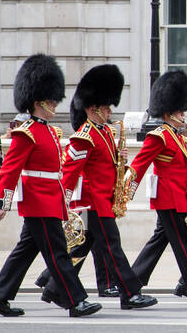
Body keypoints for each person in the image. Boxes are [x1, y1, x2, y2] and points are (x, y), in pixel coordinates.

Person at [0, 54, 99, 317]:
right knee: (58, 252)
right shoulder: (26, 133)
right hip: (38, 201)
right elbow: (11, 169)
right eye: (50, 101)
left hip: (50, 198)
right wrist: (1, 203)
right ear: (37, 102)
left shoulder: (49, 131)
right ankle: (74, 300)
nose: (54, 104)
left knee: (25, 251)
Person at [41, 64, 155, 310]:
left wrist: (119, 160)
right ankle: (130, 293)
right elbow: (70, 171)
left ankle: (53, 288)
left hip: (105, 198)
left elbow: (106, 165)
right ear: (93, 108)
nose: (109, 111)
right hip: (93, 201)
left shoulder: (101, 132)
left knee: (83, 246)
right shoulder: (85, 135)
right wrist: (64, 204)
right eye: (105, 107)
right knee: (113, 247)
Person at [128, 70, 187, 300]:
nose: (183, 114)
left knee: (159, 241)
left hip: (180, 197)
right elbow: (139, 164)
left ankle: (133, 281)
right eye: (179, 111)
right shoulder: (159, 136)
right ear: (168, 113)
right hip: (168, 198)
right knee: (186, 242)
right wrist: (127, 191)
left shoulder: (178, 136)